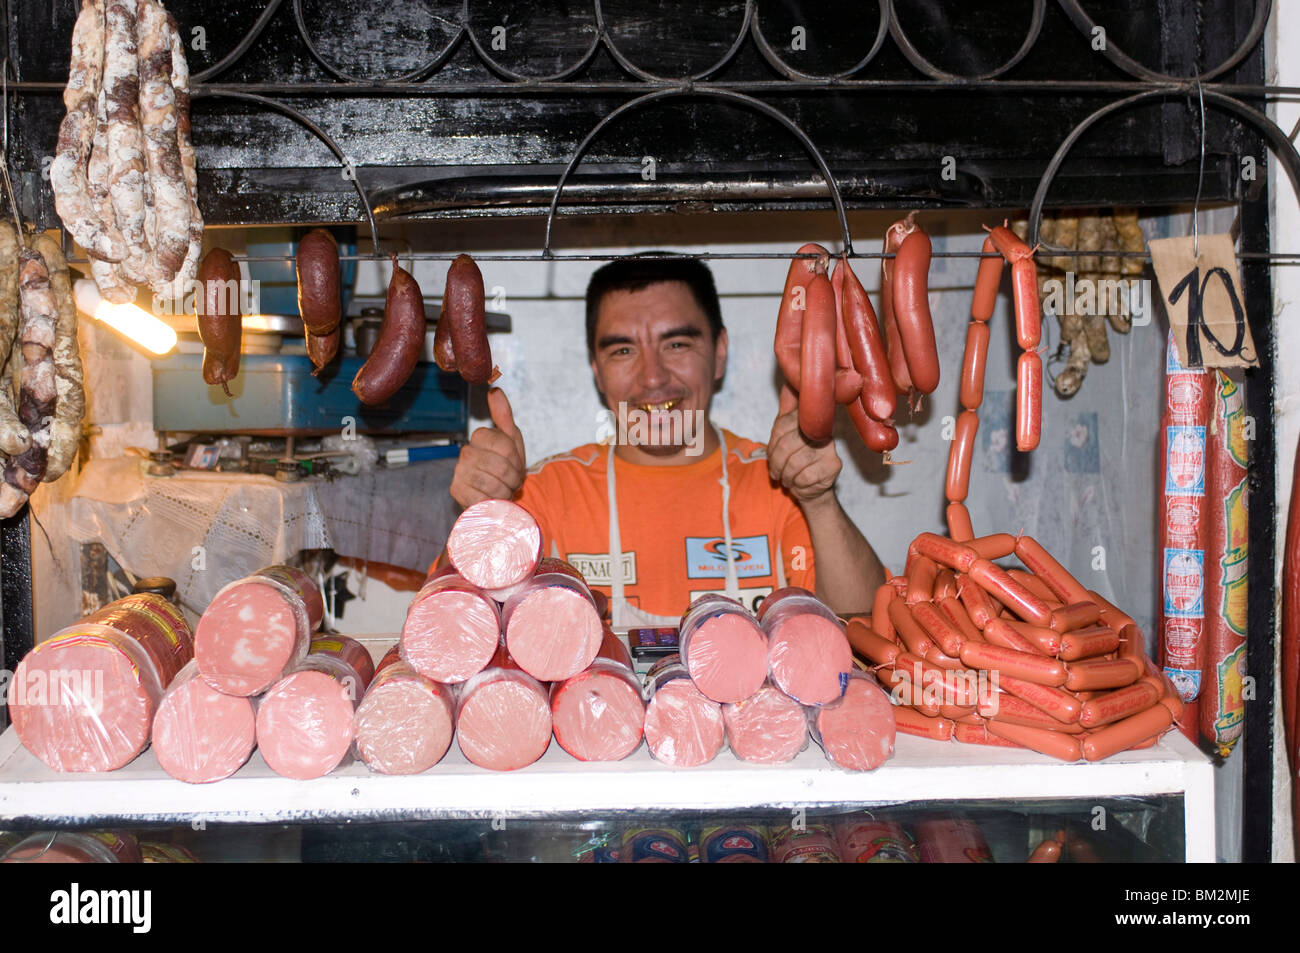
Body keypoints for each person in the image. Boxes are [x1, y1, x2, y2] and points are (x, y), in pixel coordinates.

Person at [449, 256, 885, 628]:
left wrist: (820, 500)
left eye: (676, 344)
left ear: (719, 353)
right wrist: (486, 519)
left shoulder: (781, 482)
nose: (653, 377)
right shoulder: (542, 494)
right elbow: (455, 627)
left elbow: (861, 632)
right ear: (596, 370)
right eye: (622, 351)